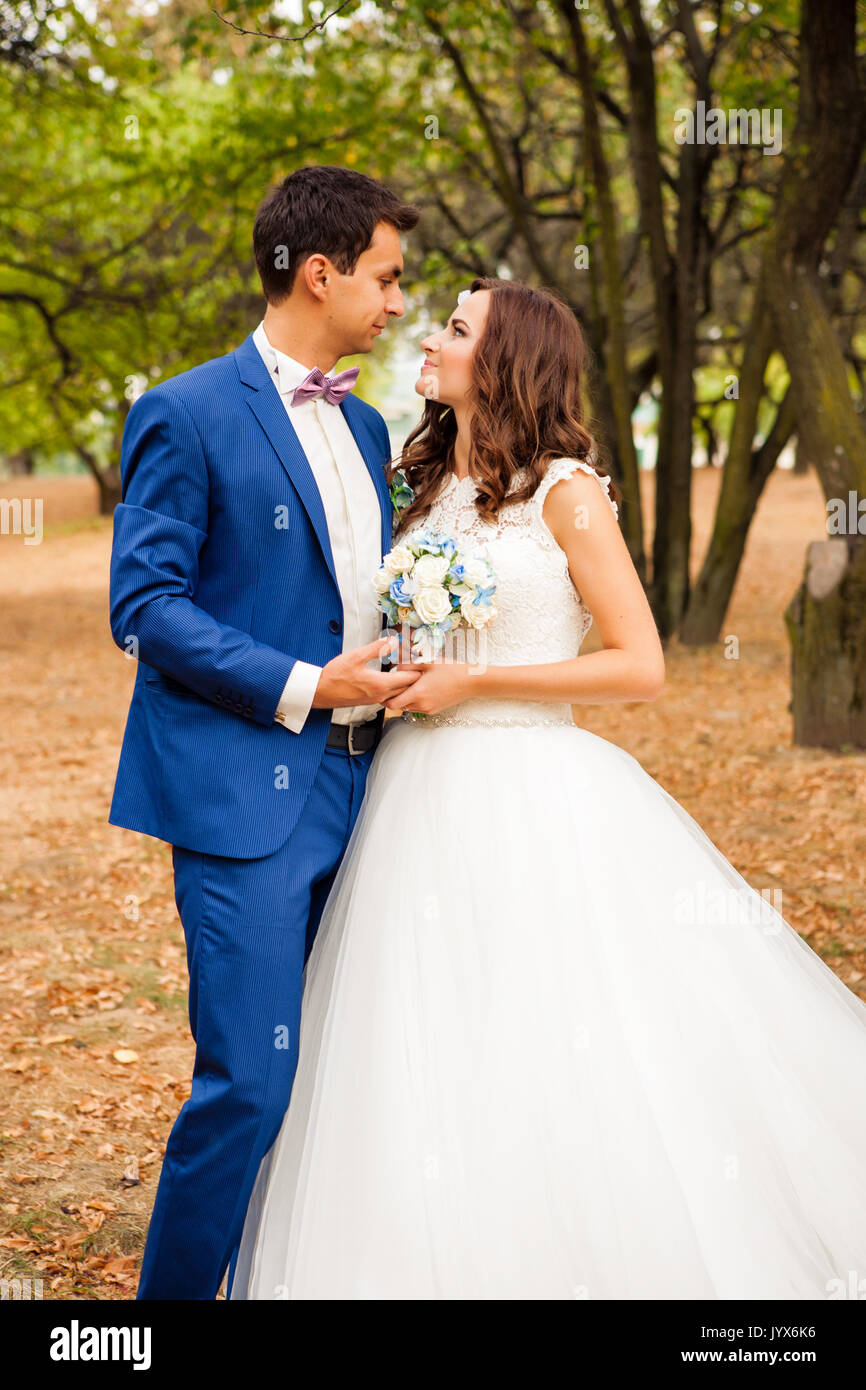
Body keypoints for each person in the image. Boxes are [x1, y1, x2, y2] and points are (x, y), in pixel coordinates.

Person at [230, 276, 866, 1300]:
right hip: (410, 796)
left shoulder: (566, 490)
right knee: (420, 1036)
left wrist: (476, 680)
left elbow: (638, 663)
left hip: (531, 786)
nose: (428, 339)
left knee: (556, 1024)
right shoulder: (422, 481)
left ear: (507, 358)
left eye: (454, 327)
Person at [108, 165, 420, 1299]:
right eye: (386, 279)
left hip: (381, 792)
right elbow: (143, 609)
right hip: (250, 797)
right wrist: (304, 681)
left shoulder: (372, 421)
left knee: (347, 1067)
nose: (396, 304)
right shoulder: (182, 411)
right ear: (322, 272)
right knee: (248, 1081)